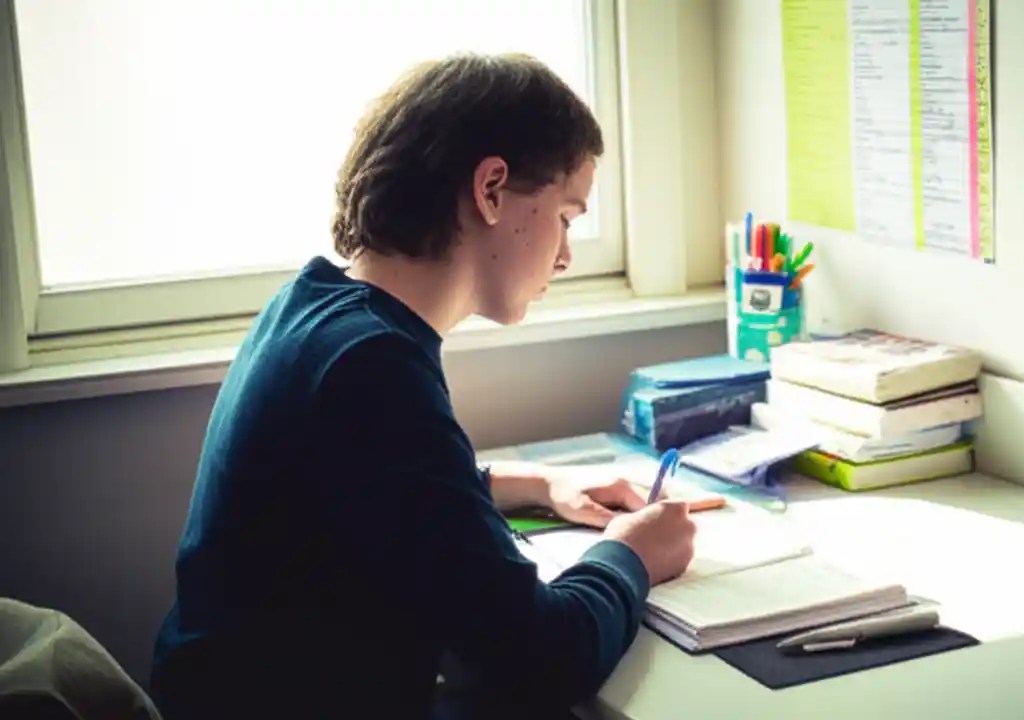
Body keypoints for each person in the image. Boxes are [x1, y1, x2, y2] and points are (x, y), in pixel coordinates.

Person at [151, 53, 698, 720]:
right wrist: (633, 554)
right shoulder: (372, 365)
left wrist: (534, 485)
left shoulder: (314, 307)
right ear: (491, 189)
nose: (565, 255)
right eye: (565, 216)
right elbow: (542, 658)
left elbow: (378, 492)